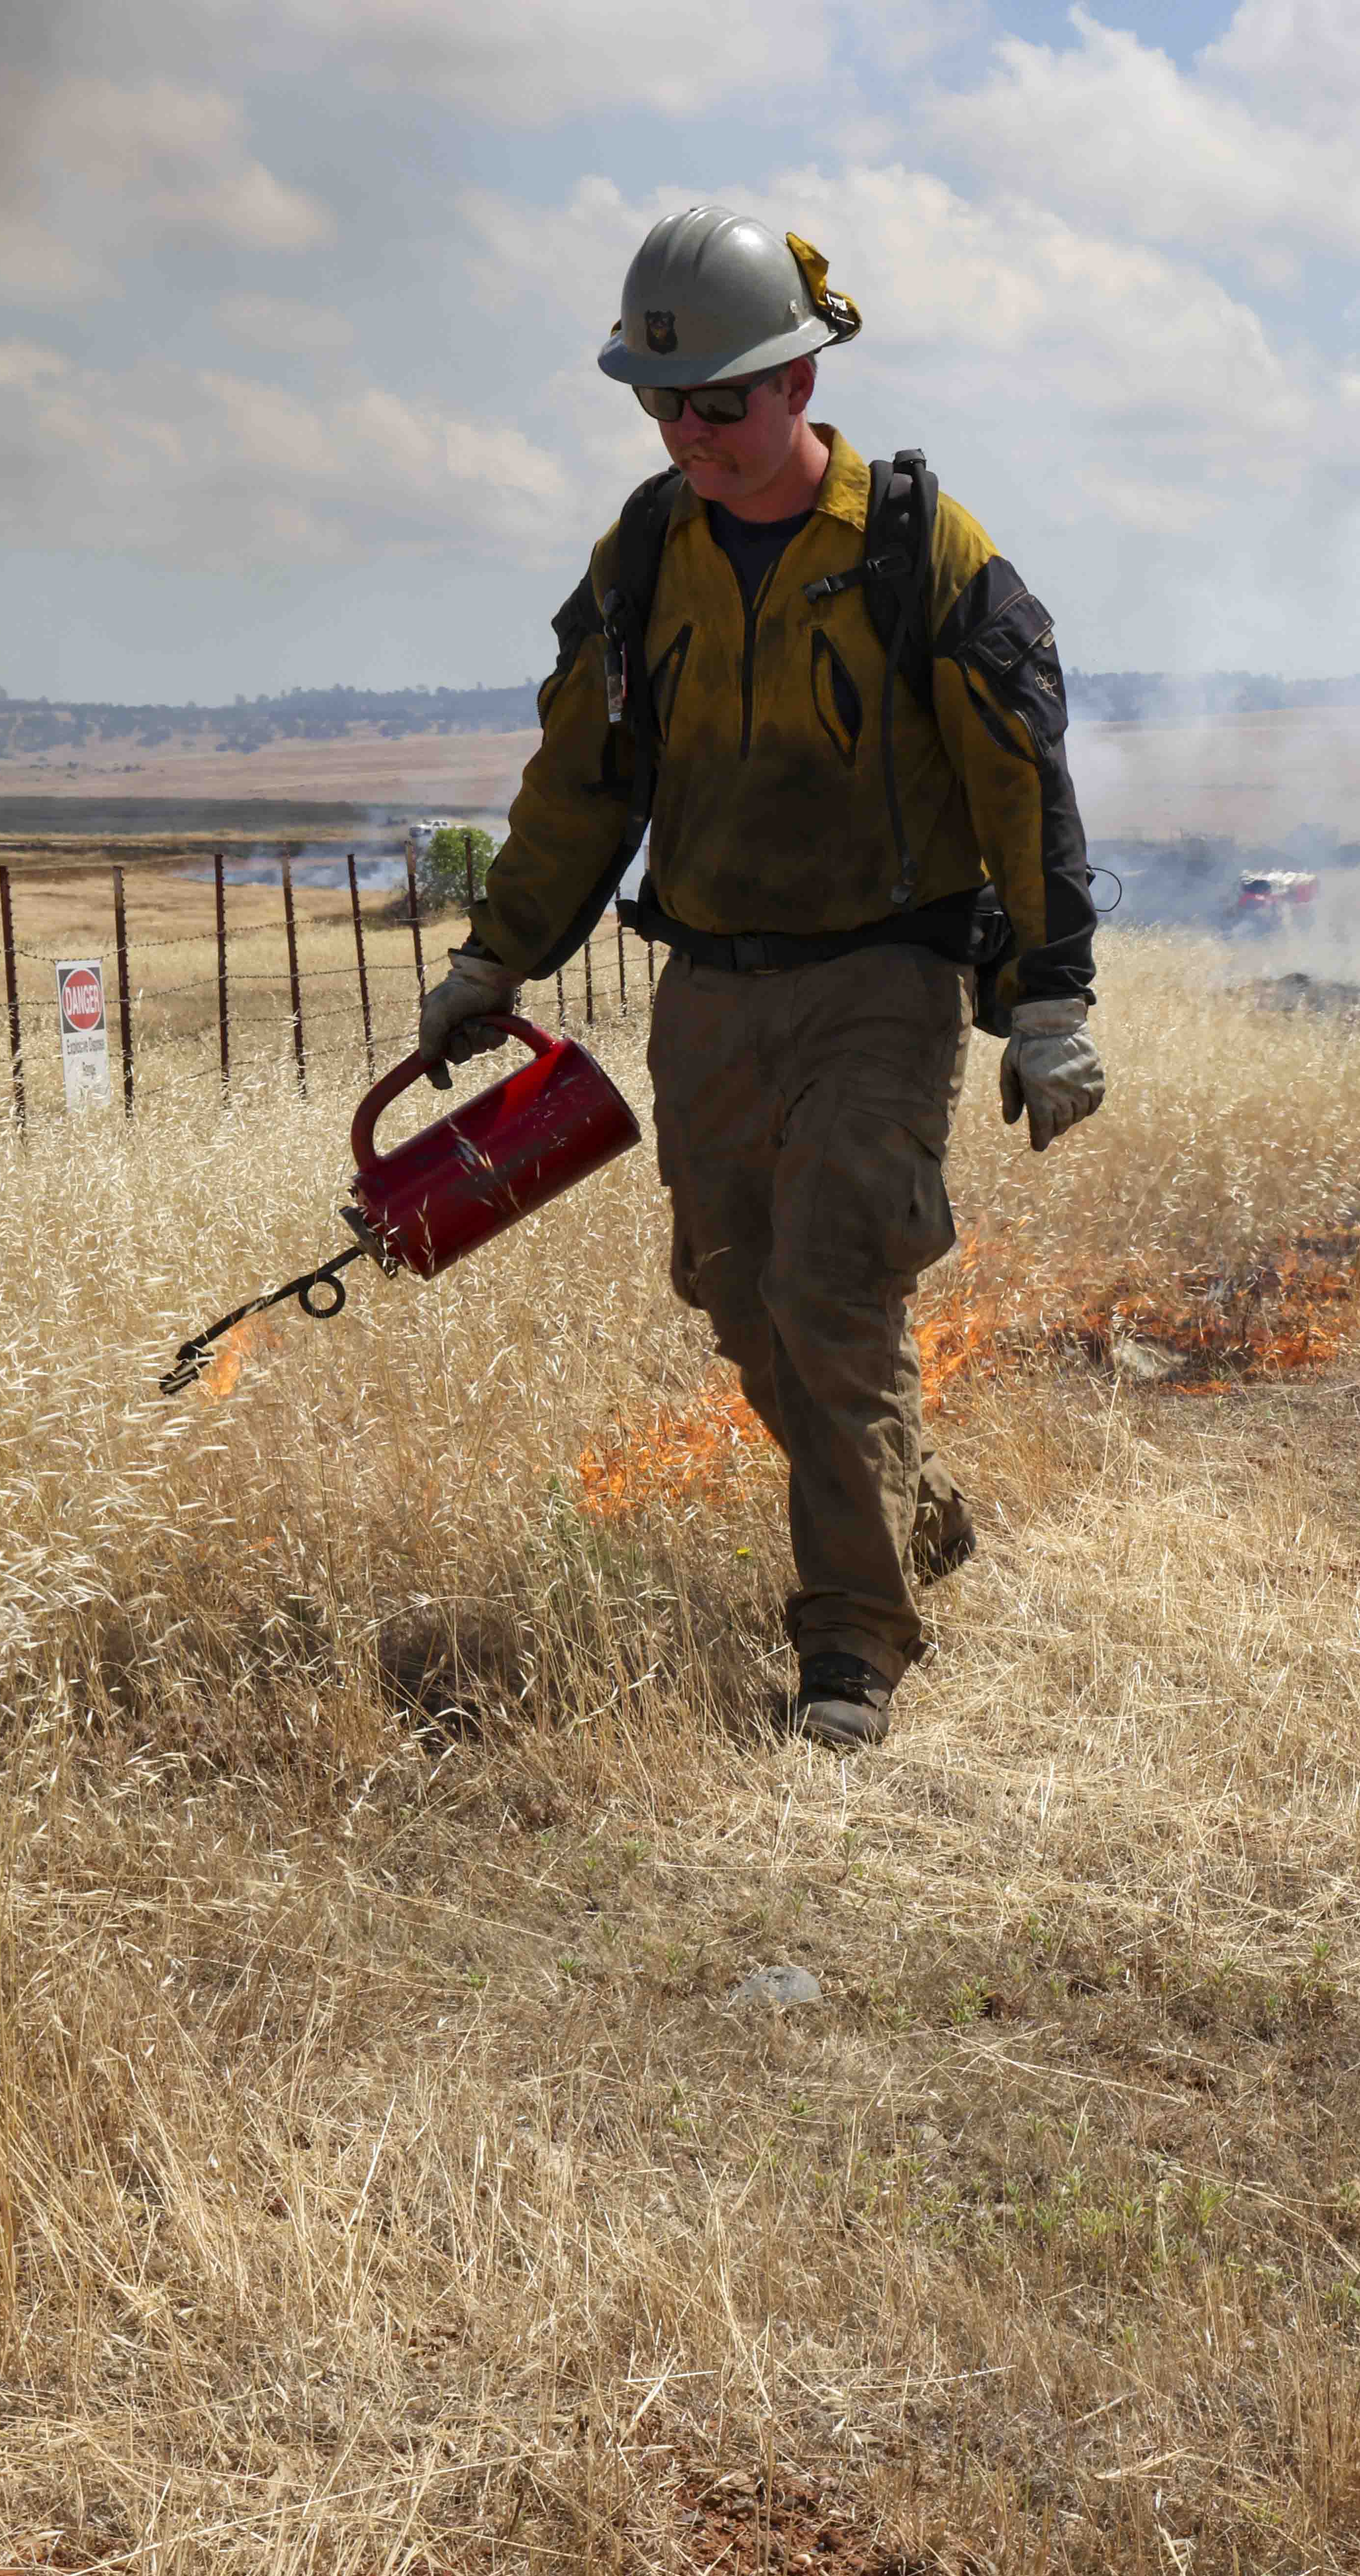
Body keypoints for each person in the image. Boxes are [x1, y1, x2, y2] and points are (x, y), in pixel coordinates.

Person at [419, 206, 1106, 1750]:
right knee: (738, 1297)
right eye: (661, 402)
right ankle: (903, 1509)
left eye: (717, 400)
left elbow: (1023, 780)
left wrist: (1049, 998)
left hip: (884, 979)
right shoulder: (646, 551)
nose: (688, 430)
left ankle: (851, 1652)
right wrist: (494, 954)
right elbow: (585, 781)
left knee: (831, 1288)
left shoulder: (922, 546)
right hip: (710, 991)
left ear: (800, 381)